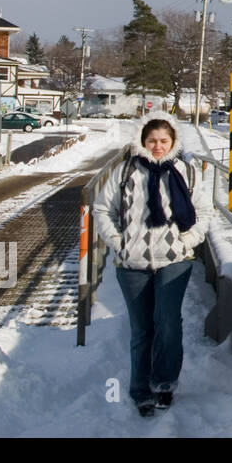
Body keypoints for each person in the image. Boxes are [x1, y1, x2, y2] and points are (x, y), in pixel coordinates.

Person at [93, 114, 210, 417]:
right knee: (141, 329)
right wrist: (117, 242)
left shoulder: (187, 172)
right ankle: (140, 389)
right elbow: (102, 208)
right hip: (132, 263)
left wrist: (189, 239)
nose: (158, 147)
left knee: (168, 323)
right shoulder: (125, 172)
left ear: (173, 143)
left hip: (175, 260)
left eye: (163, 141)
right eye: (152, 141)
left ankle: (165, 383)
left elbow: (204, 210)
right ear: (142, 142)